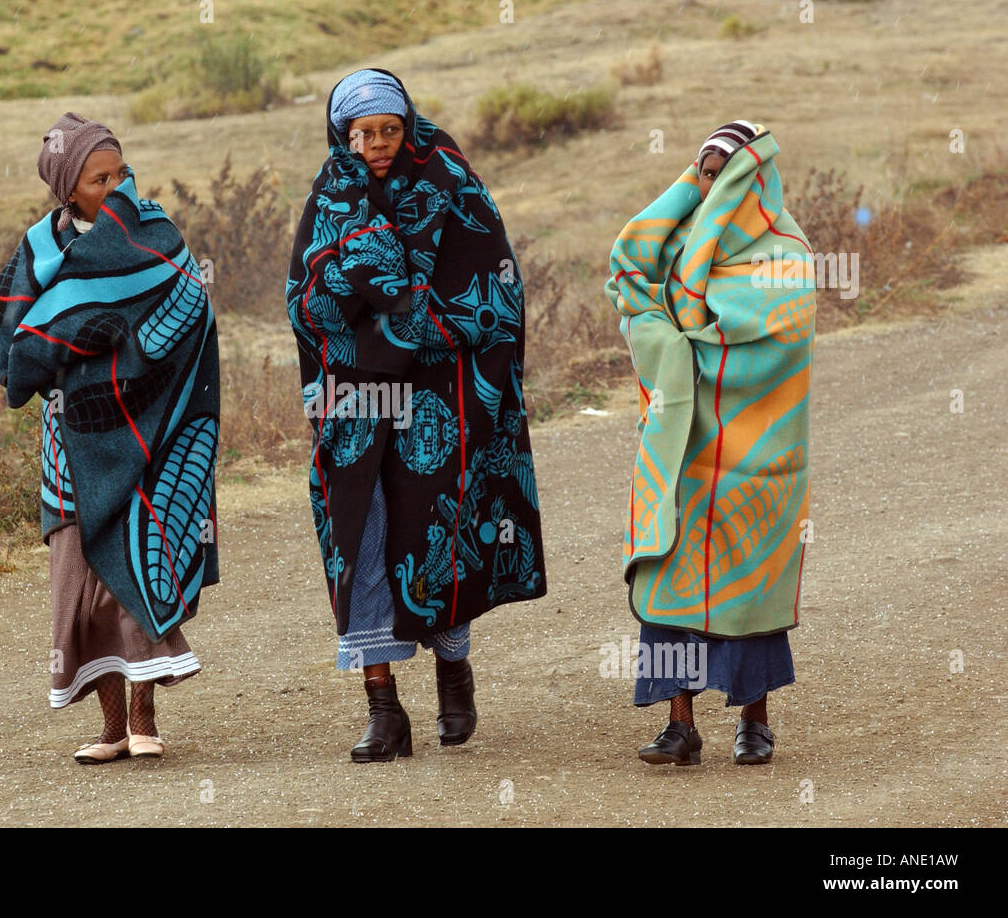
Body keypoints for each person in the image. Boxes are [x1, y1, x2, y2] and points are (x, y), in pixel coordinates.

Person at [286, 69, 547, 763]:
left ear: (408, 126)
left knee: (436, 532)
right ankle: (383, 706)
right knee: (362, 533)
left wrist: (398, 320)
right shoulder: (329, 197)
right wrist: (358, 281)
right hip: (358, 403)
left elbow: (494, 297)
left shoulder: (450, 183)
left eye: (388, 130)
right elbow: (304, 304)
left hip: (441, 396)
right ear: (342, 135)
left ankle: (452, 667)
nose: (375, 144)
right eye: (361, 133)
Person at [0, 112, 220, 764]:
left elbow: (190, 314)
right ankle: (112, 729)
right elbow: (12, 330)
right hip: (70, 441)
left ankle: (145, 719)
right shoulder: (41, 249)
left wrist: (117, 348)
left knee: (131, 573)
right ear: (67, 189)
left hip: (144, 435)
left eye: (120, 171)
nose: (116, 186)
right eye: (98, 178)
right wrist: (61, 340)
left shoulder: (154, 234)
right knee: (76, 582)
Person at [604, 120, 816, 766]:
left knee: (749, 585)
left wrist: (681, 328)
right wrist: (669, 337)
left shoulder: (786, 253)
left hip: (757, 456)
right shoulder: (679, 243)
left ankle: (755, 720)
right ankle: (679, 722)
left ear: (750, 180)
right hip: (684, 452)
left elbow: (777, 338)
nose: (710, 182)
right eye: (702, 168)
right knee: (670, 575)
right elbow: (631, 280)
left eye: (724, 170)